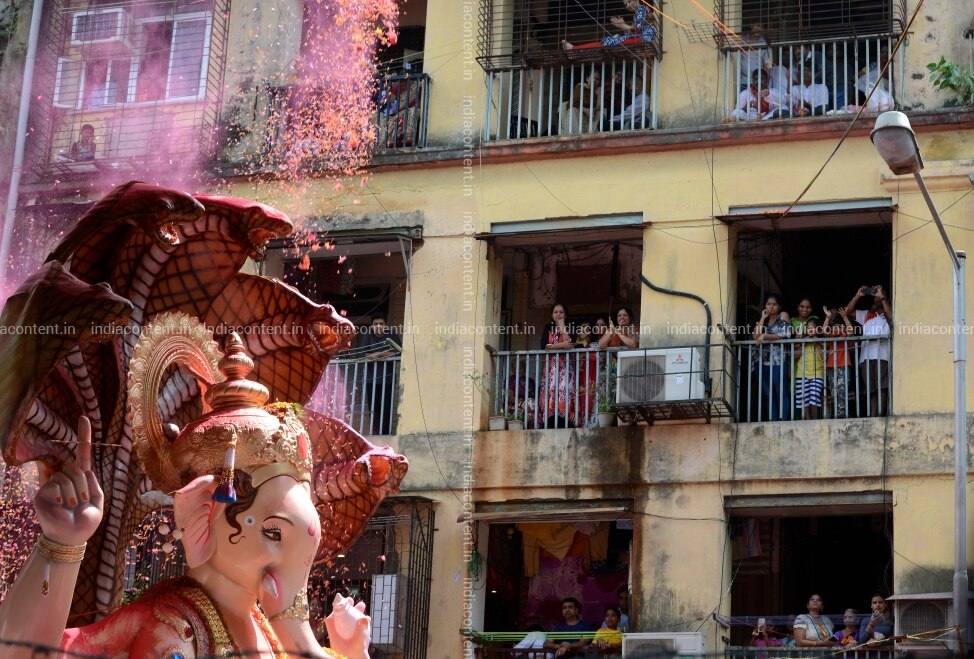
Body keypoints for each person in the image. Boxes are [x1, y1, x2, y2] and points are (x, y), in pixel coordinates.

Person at [0, 327, 395, 658]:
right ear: (204, 515)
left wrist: (348, 651)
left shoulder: (265, 630)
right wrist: (60, 547)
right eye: (272, 533)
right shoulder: (172, 630)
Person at [845, 285, 892, 416]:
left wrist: (882, 297)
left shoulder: (889, 312)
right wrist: (857, 295)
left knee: (882, 387)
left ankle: (881, 416)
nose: (876, 296)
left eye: (879, 294)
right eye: (875, 294)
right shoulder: (867, 314)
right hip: (865, 357)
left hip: (883, 355)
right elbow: (847, 312)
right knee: (871, 389)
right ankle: (873, 416)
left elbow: (891, 316)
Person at [752, 295, 792, 421]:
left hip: (778, 361)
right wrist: (763, 318)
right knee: (768, 395)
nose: (771, 306)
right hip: (761, 362)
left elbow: (785, 334)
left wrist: (765, 336)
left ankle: (783, 421)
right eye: (768, 304)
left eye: (774, 304)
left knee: (780, 392)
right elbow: (755, 336)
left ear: (779, 307)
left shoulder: (783, 316)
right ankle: (773, 422)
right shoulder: (762, 320)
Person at [562, 0, 658, 50]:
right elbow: (635, 30)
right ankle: (575, 49)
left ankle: (575, 49)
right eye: (625, 4)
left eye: (629, 1)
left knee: (603, 44)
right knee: (606, 42)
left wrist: (624, 26)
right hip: (640, 38)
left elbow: (637, 29)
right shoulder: (638, 12)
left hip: (642, 39)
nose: (628, 5)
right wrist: (624, 26)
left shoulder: (641, 9)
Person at [542, 303, 577, 427]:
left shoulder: (571, 326)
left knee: (565, 394)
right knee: (551, 394)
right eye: (555, 312)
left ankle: (566, 423)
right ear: (552, 315)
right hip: (551, 368)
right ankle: (550, 423)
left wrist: (562, 328)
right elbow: (544, 346)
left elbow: (571, 344)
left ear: (565, 315)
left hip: (566, 368)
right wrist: (561, 346)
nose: (558, 314)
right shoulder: (548, 327)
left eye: (561, 312)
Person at [822, 305, 858, 418]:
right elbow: (824, 331)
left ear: (843, 328)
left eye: (840, 327)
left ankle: (841, 412)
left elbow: (850, 331)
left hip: (843, 366)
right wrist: (828, 317)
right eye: (835, 327)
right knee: (834, 391)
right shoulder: (831, 336)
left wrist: (845, 317)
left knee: (842, 389)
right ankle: (838, 412)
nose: (837, 329)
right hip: (831, 367)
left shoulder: (845, 335)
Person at [791, 298, 824, 420]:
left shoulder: (821, 342)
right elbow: (795, 357)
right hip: (802, 374)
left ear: (818, 330)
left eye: (813, 328)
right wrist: (803, 343)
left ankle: (814, 421)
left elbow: (824, 357)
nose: (810, 329)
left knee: (814, 399)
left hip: (817, 374)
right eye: (809, 328)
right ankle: (807, 421)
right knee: (804, 400)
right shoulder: (802, 342)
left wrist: (816, 343)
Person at [560, 69, 602, 135]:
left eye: (597, 79)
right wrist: (586, 110)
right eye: (593, 78)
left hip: (589, 119)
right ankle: (574, 136)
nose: (594, 80)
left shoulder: (598, 91)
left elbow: (599, 107)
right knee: (572, 110)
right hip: (577, 116)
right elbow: (570, 104)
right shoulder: (581, 87)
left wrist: (599, 95)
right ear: (587, 79)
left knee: (598, 114)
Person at [736, 23, 768, 93]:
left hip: (758, 82)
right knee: (743, 98)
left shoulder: (764, 43)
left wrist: (766, 84)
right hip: (743, 80)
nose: (759, 29)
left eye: (761, 26)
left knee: (758, 99)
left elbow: (768, 65)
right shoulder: (743, 40)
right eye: (757, 25)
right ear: (751, 25)